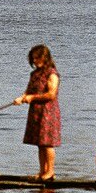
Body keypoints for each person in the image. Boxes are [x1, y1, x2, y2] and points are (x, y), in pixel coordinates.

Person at [14, 44, 61, 181]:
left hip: (48, 112)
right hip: (36, 112)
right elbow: (29, 91)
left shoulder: (52, 74)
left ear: (44, 57)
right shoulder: (34, 74)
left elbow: (51, 95)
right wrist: (21, 98)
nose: (34, 61)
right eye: (33, 58)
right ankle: (42, 172)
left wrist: (32, 98)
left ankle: (50, 171)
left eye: (37, 58)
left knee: (48, 144)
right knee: (40, 144)